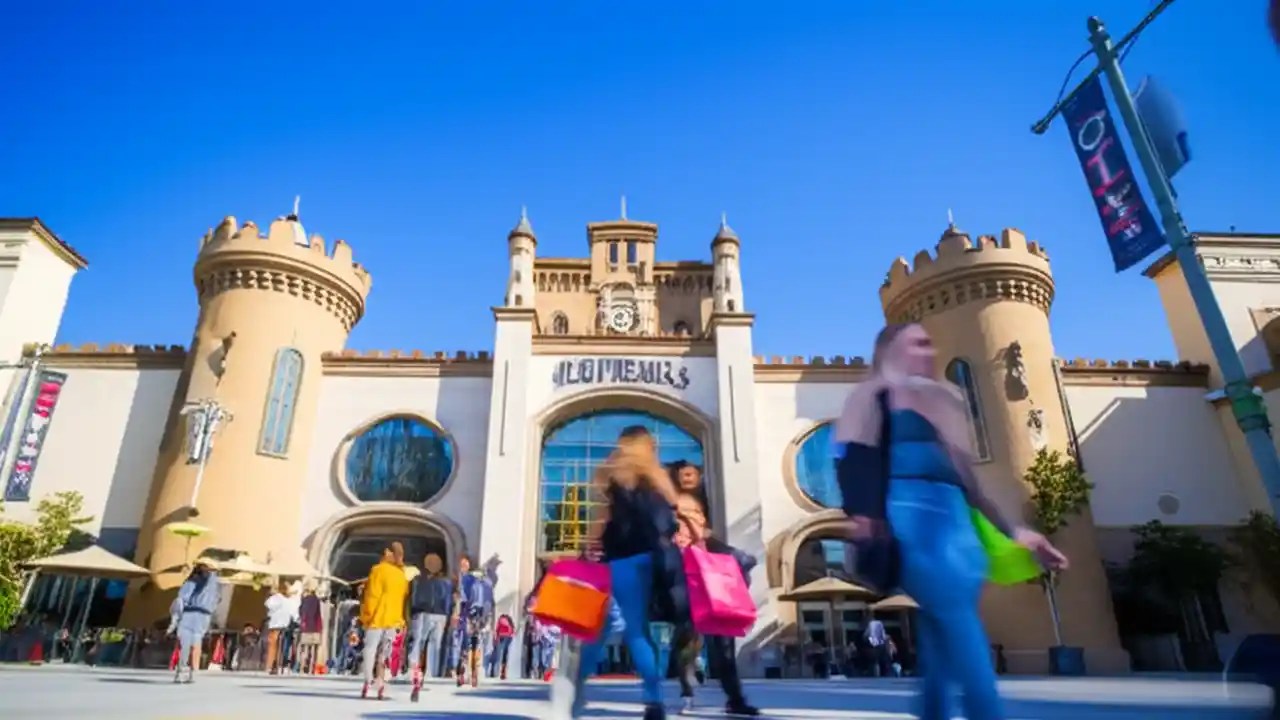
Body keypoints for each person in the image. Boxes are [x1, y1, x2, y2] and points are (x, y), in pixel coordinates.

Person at [835, 323, 1068, 720]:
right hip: (908, 516)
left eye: (930, 341)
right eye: (917, 343)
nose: (929, 350)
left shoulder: (946, 399)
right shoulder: (872, 395)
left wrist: (1016, 531)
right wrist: (866, 518)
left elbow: (971, 483)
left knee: (941, 636)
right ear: (888, 350)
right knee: (958, 621)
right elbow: (851, 462)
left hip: (958, 523)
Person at [570, 425, 682, 720]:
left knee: (598, 629)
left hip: (615, 559)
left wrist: (587, 548)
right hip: (646, 558)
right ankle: (653, 699)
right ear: (647, 444)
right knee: (637, 629)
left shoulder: (612, 471)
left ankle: (577, 691)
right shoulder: (656, 473)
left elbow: (602, 517)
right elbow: (675, 510)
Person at [672, 493, 759, 716]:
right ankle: (688, 692)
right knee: (686, 643)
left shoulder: (712, 544)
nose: (681, 518)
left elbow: (745, 561)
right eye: (678, 513)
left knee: (724, 650)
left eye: (688, 512)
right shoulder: (670, 541)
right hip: (689, 600)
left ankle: (735, 699)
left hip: (715, 601)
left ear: (701, 517)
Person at [359, 542, 411, 700]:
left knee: (370, 649)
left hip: (377, 617)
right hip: (395, 620)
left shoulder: (377, 570)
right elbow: (404, 599)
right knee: (386, 653)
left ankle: (368, 682)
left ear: (388, 553)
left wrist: (366, 617)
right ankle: (382, 683)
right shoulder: (402, 574)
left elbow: (372, 596)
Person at [408, 552, 454, 697]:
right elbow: (448, 600)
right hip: (440, 614)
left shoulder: (418, 580)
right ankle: (431, 673)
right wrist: (447, 613)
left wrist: (413, 612)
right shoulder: (446, 582)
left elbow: (414, 597)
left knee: (419, 641)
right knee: (435, 644)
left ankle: (413, 669)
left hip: (423, 612)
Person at [173, 559, 222, 684]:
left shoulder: (194, 580)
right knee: (196, 642)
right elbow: (217, 599)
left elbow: (182, 597)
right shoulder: (214, 582)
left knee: (186, 644)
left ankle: (182, 670)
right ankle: (193, 670)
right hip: (204, 614)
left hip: (191, 612)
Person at [263, 581, 294, 675]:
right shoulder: (289, 600)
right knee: (281, 646)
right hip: (285, 624)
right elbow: (293, 612)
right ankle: (278, 664)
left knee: (272, 645)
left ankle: (271, 665)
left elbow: (268, 604)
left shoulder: (276, 598)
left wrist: (271, 595)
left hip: (275, 623)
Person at [297, 581, 323, 674]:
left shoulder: (305, 600)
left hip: (306, 626)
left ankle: (303, 666)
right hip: (316, 626)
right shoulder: (317, 600)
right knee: (314, 649)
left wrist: (302, 622)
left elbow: (302, 612)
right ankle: (312, 667)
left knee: (305, 648)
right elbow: (318, 614)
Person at [490, 613, 515, 679]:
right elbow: (513, 631)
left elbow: (497, 629)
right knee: (505, 655)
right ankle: (504, 672)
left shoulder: (500, 619)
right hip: (509, 637)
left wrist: (496, 639)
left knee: (499, 655)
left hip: (502, 637)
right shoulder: (510, 621)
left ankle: (496, 672)